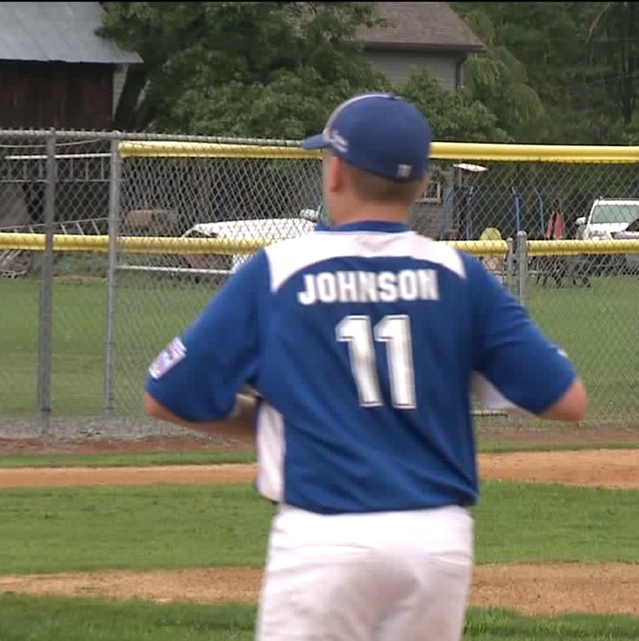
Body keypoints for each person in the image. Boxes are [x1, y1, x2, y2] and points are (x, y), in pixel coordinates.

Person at [141, 92, 588, 641]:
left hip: (324, 534)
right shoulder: (459, 276)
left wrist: (259, 423)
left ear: (335, 174)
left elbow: (167, 393)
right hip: (436, 544)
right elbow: (567, 399)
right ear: (423, 185)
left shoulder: (278, 271)